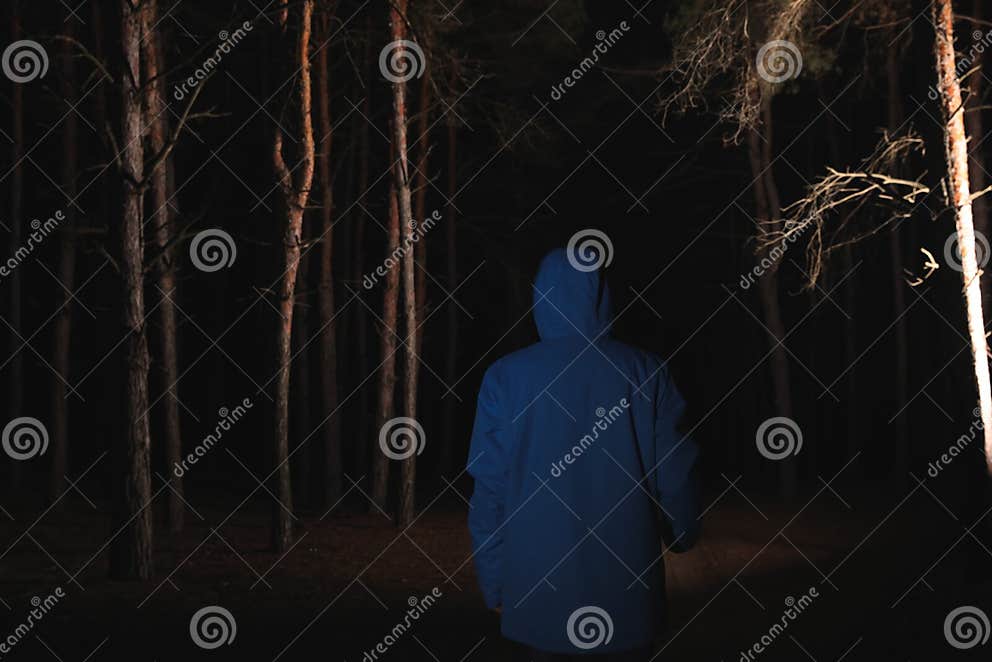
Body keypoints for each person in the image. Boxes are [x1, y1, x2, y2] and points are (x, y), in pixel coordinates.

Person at [466, 246, 701, 661]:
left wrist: (496, 581)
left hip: (537, 600)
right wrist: (682, 531)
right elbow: (676, 470)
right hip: (628, 599)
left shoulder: (506, 376)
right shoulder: (646, 371)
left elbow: (490, 490)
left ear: (541, 297)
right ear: (604, 295)